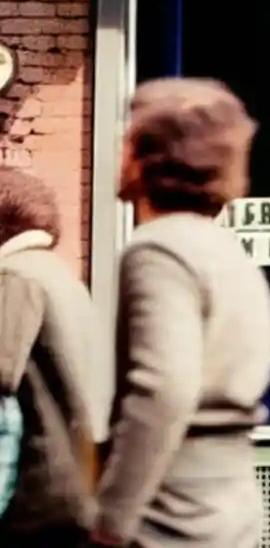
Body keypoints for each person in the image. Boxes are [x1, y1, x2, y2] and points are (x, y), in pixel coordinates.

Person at [91, 78, 270, 548]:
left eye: (127, 139)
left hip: (169, 516)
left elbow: (163, 389)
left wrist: (110, 520)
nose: (118, 152)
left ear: (151, 156)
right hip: (232, 508)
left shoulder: (159, 250)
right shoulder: (227, 251)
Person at [0, 168, 104, 545]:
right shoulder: (63, 278)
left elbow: (1, 371)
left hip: (36, 490)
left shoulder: (16, 275)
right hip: (78, 485)